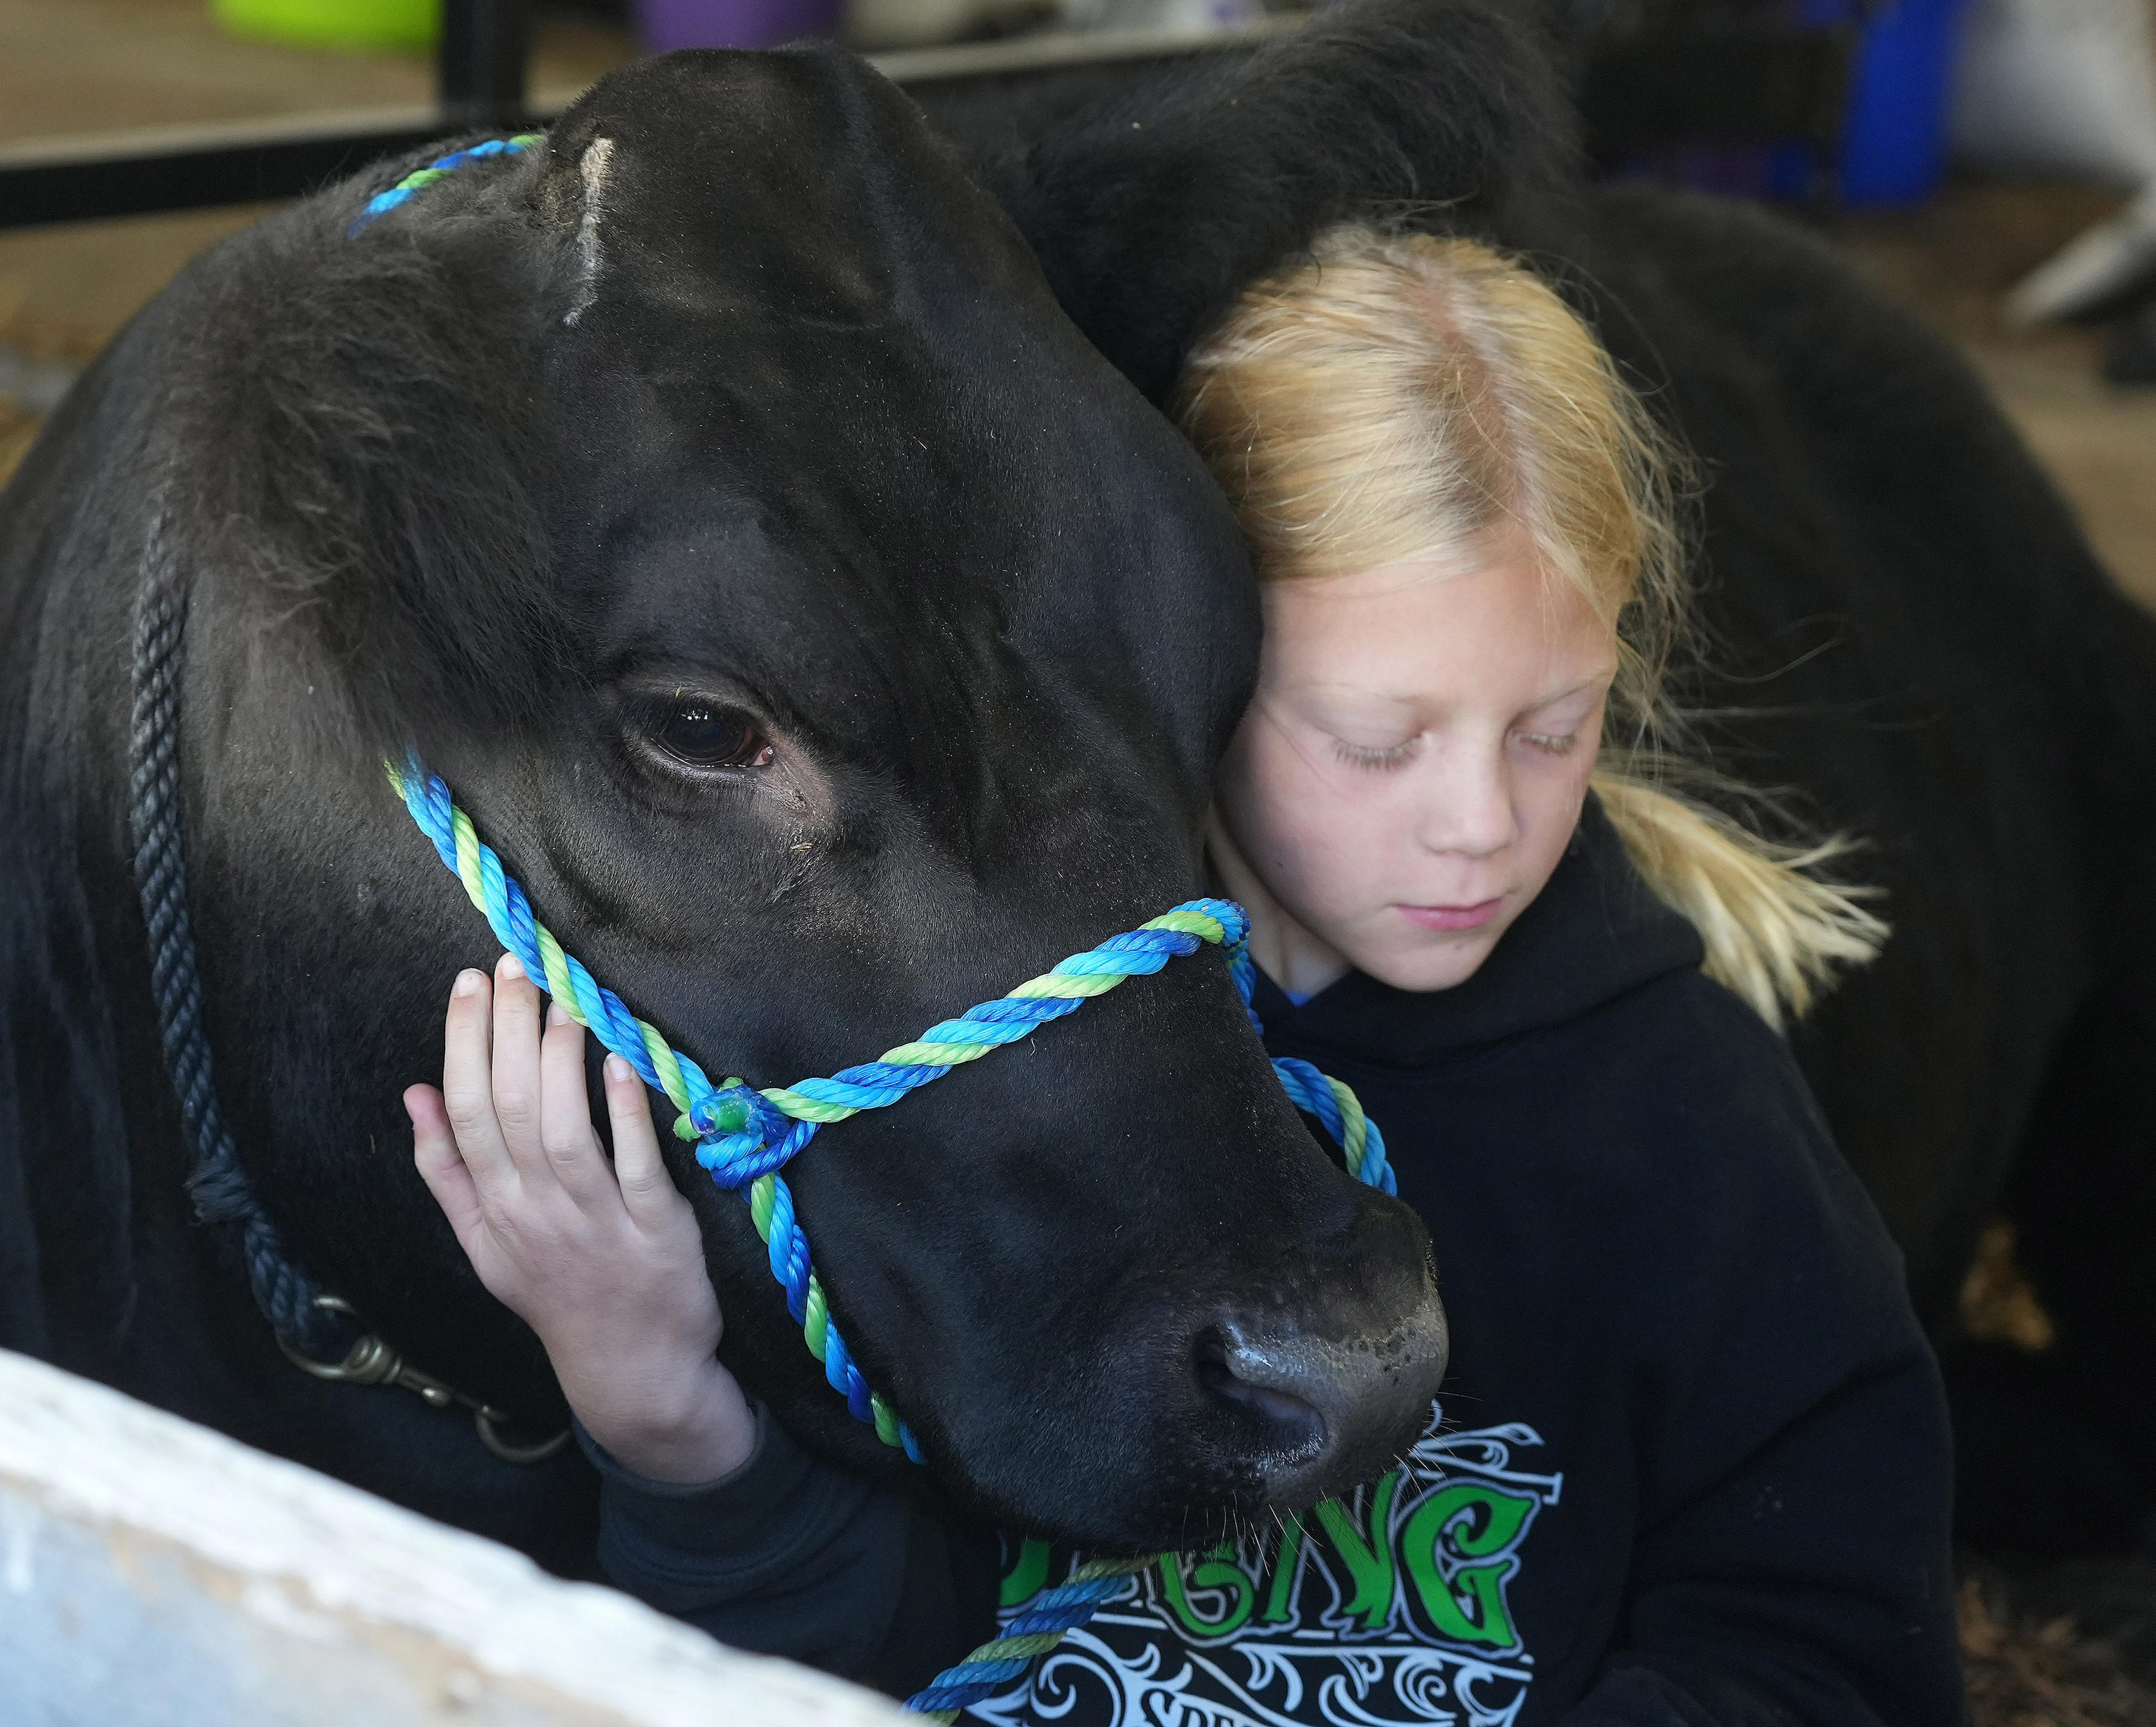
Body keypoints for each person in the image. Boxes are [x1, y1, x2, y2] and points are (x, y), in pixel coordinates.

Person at [403, 226, 1965, 1725]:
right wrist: (662, 1404)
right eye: (1377, 740)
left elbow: (1824, 1631)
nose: (1483, 822)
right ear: (1175, 671)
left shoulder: (1689, 1122)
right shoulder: (972, 1068)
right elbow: (836, 1656)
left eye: (1556, 726)